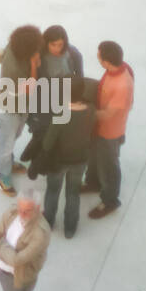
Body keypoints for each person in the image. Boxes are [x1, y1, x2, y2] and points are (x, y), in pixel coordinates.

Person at [27, 76, 95, 239]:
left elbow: (48, 143)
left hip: (59, 162)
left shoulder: (61, 115)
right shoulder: (90, 111)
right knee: (73, 193)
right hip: (80, 160)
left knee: (53, 190)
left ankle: (48, 221)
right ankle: (70, 228)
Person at [84, 41, 134, 219]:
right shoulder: (120, 68)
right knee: (94, 155)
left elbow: (107, 114)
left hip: (110, 131)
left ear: (106, 62)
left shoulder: (122, 86)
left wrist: (84, 112)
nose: (97, 58)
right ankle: (93, 183)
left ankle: (110, 200)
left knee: (109, 165)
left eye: (99, 56)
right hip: (99, 128)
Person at [0, 25, 43, 195]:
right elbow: (29, 87)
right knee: (5, 144)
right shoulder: (16, 70)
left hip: (19, 106)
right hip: (9, 109)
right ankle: (0, 174)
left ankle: (7, 163)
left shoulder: (12, 46)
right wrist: (34, 65)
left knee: (13, 137)